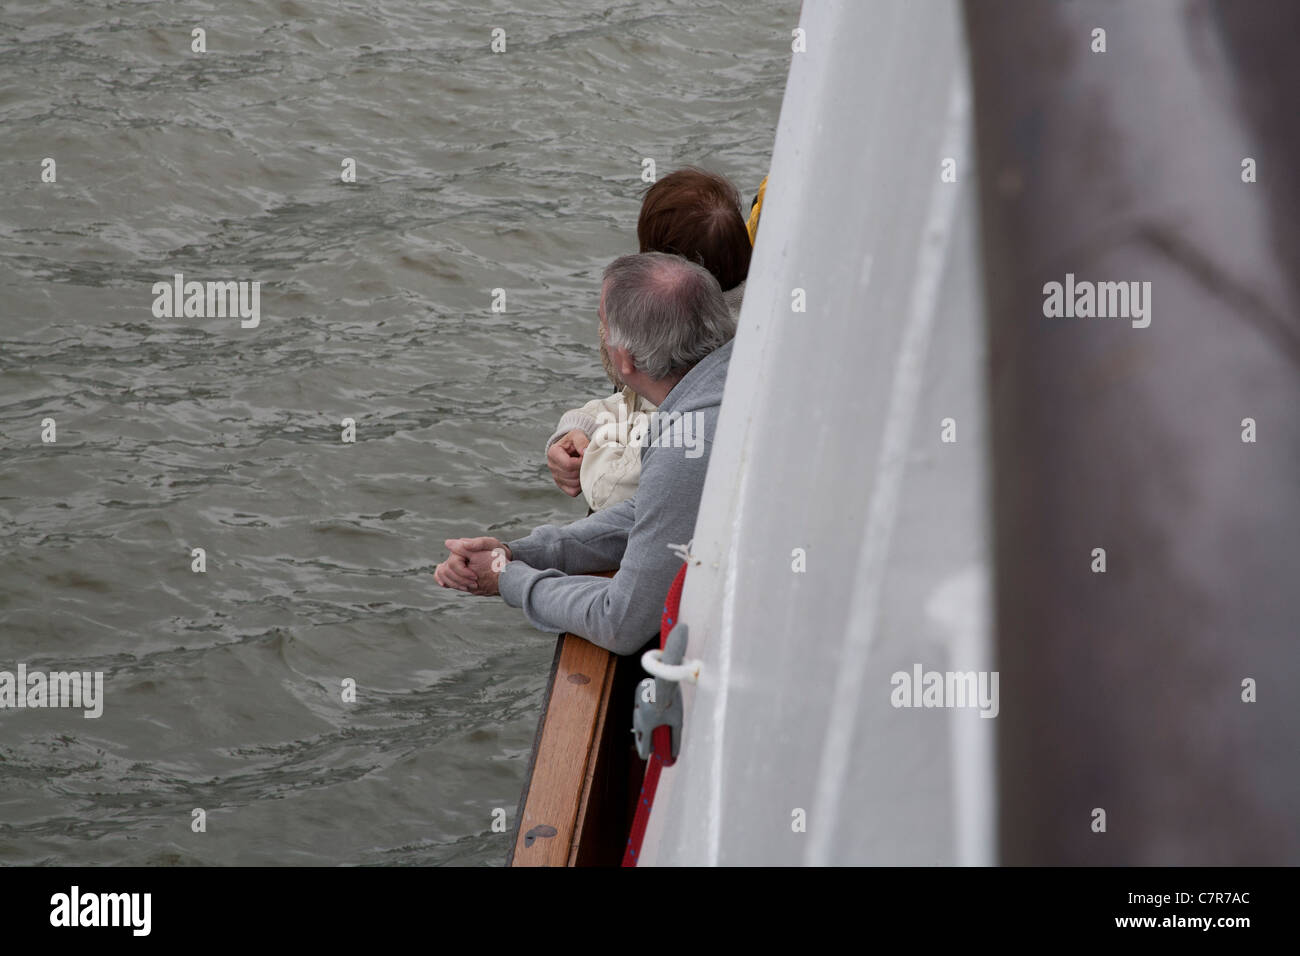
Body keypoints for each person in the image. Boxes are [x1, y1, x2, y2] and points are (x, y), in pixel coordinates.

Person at [434, 252, 735, 653]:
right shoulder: (728, 380)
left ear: (625, 359)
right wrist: (518, 552)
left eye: (603, 324)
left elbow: (620, 622)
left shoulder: (688, 442)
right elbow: (646, 511)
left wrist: (509, 580)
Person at [546, 168, 751, 512]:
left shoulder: (695, 357)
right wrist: (577, 426)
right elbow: (635, 404)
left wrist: (591, 449)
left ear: (665, 278)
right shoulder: (754, 319)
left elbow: (612, 487)